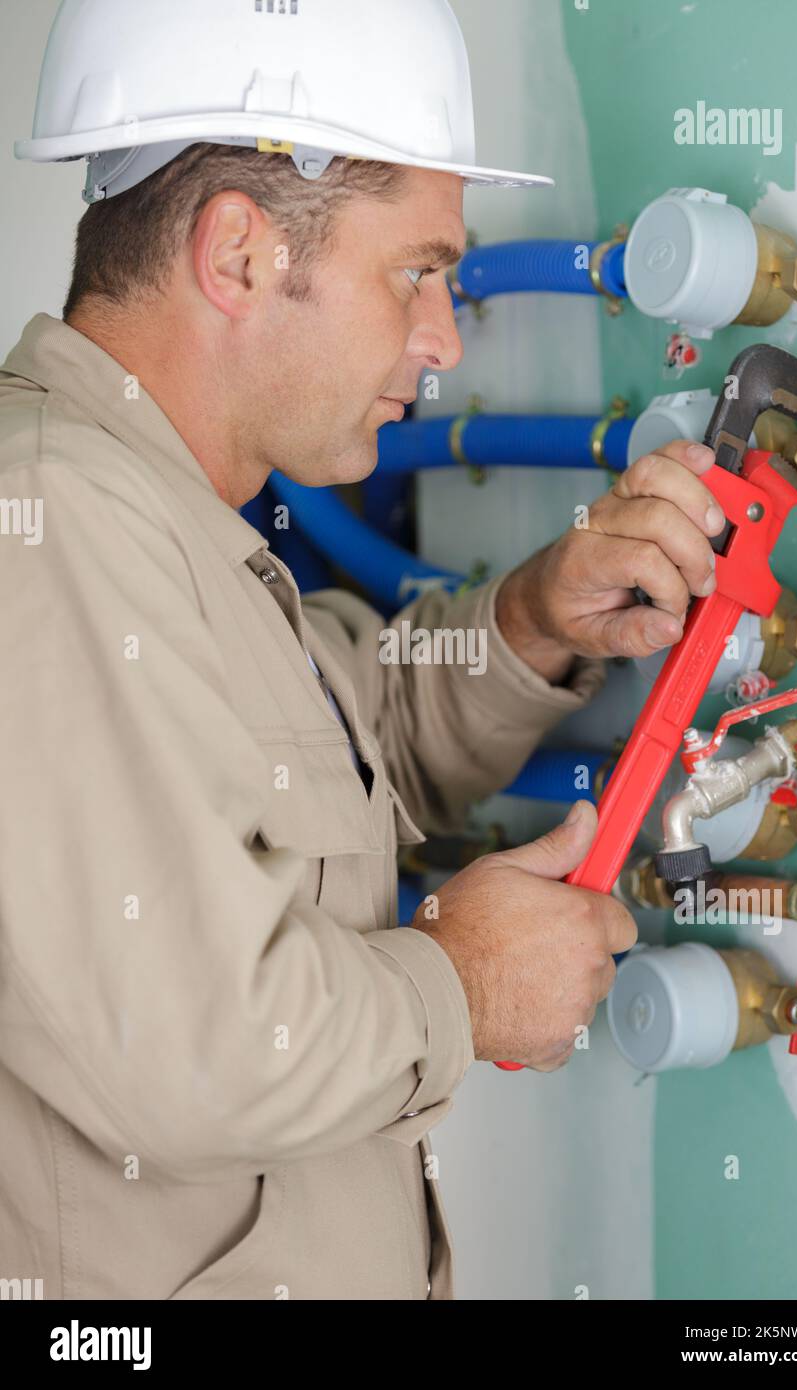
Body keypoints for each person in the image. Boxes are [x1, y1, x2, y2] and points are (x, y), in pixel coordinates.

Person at [0, 0, 724, 1299]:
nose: (446, 337)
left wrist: (530, 617)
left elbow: (339, 738)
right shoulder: (44, 525)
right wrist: (463, 982)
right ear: (238, 254)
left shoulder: (142, 516)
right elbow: (193, 1042)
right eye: (416, 272)